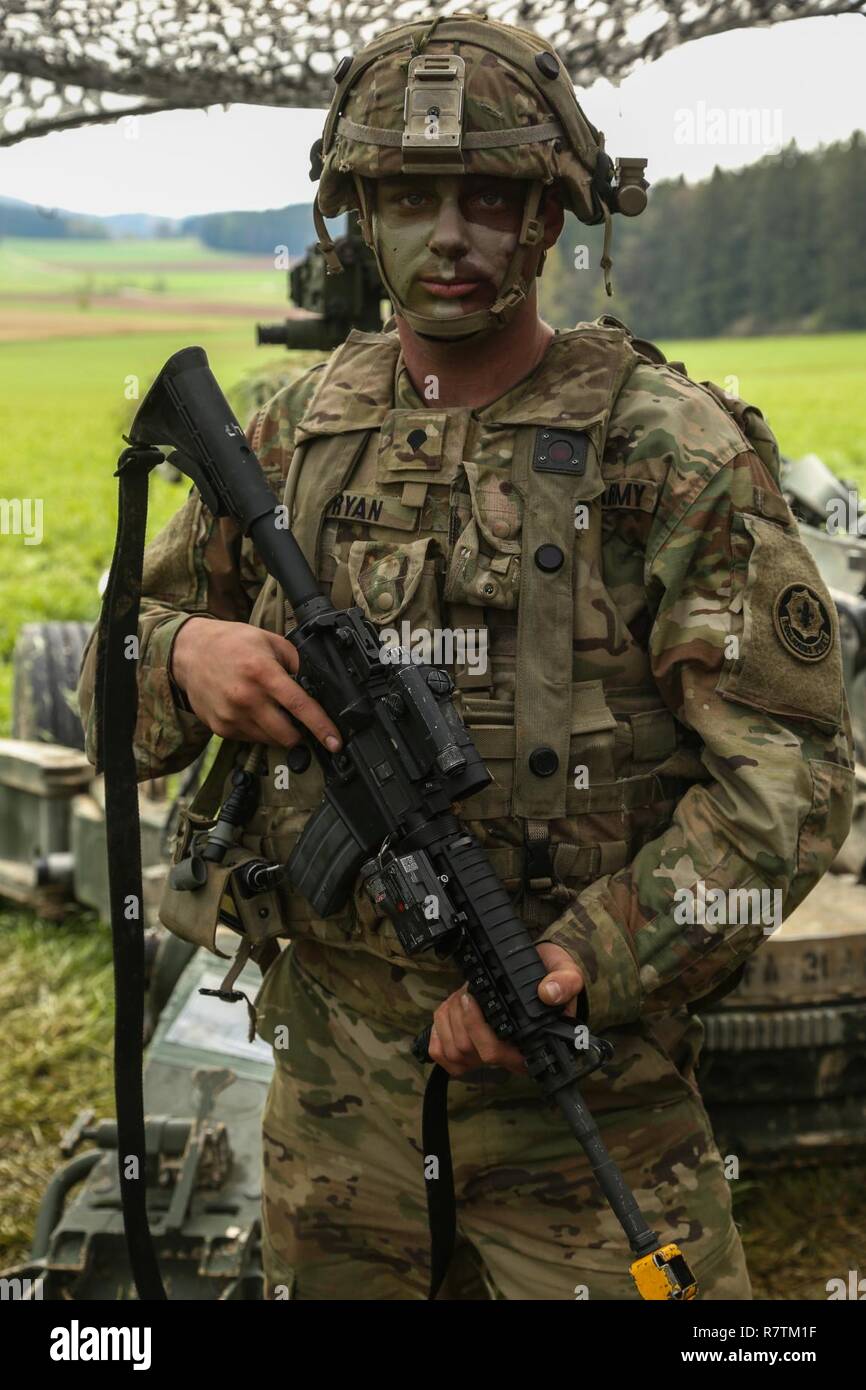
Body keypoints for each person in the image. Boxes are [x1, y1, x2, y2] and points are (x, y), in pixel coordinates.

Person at [78, 14, 853, 1300]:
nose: (450, 235)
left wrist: (580, 964)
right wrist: (183, 655)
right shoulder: (291, 436)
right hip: (333, 1095)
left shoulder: (666, 449)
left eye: (491, 196)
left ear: (550, 218)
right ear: (355, 218)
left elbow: (789, 784)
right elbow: (119, 689)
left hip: (583, 1088)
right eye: (408, 196)